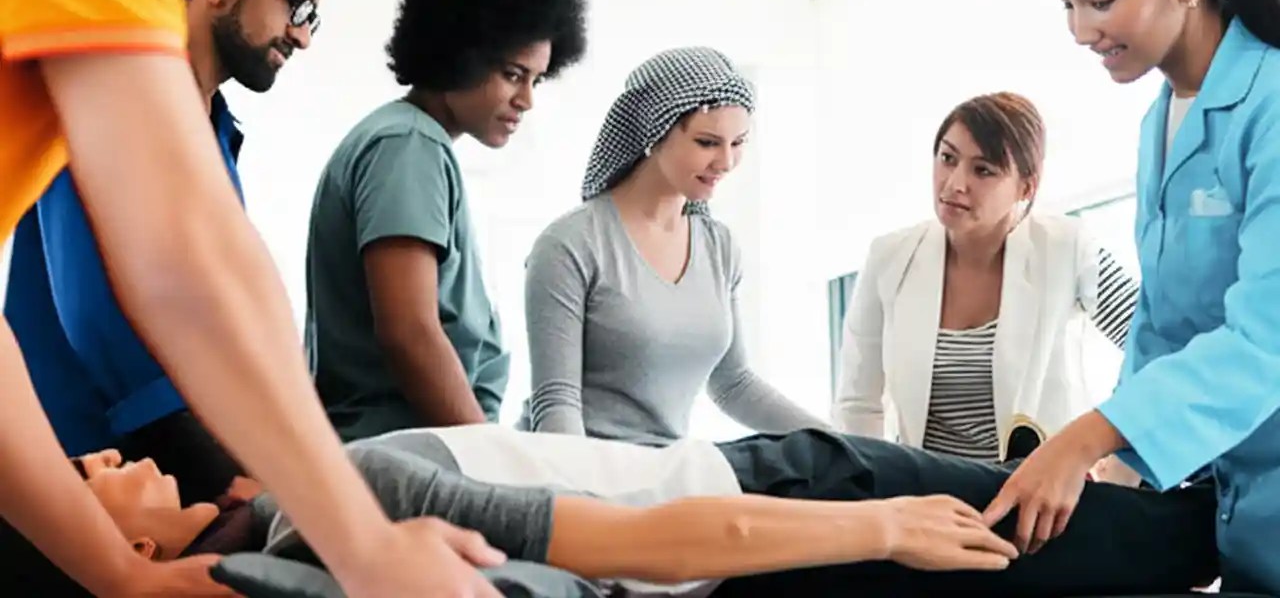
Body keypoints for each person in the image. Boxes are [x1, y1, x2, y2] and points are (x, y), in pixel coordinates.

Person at [0, 0, 514, 596]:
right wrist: (361, 540)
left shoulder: (206, 124)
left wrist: (120, 575)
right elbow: (182, 271)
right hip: (107, 456)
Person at [981, 0, 1280, 594]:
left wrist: (1089, 434)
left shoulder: (1270, 102)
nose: (1082, 31)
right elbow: (1165, 322)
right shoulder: (1162, 121)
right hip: (1242, 501)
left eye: (1101, 0)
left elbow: (1265, 336)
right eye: (1068, 6)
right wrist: (1118, 467)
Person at [8, 427, 1223, 598]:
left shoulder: (305, 508)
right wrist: (889, 521)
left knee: (1145, 547)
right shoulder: (350, 505)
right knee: (1175, 548)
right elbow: (643, 542)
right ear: (122, 548)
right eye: (85, 467)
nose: (107, 448)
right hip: (778, 504)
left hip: (767, 502)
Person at [5, 0, 352, 507]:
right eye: (296, 6)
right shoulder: (108, 92)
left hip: (171, 484)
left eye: (314, 17)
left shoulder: (213, 133)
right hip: (87, 488)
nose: (303, 36)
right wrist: (220, 472)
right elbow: (100, 315)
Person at [306, 0, 588, 441]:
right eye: (511, 74)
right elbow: (409, 333)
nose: (525, 99)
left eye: (536, 80)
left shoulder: (406, 139)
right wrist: (485, 459)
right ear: (457, 52)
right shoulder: (407, 144)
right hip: (404, 450)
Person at [523, 47, 825, 444]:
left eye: (738, 143)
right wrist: (590, 496)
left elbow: (733, 384)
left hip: (668, 472)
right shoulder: (570, 245)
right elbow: (556, 404)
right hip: (584, 475)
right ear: (654, 132)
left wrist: (841, 443)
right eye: (707, 142)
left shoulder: (719, 248)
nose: (727, 162)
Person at [833, 92, 1139, 463]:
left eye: (983, 170)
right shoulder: (890, 257)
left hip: (1041, 495)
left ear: (1025, 187)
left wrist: (1113, 453)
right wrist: (874, 495)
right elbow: (858, 405)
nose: (954, 184)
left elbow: (1151, 344)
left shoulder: (1067, 248)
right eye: (947, 159)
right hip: (929, 497)